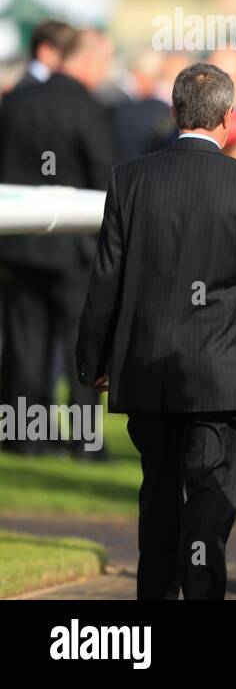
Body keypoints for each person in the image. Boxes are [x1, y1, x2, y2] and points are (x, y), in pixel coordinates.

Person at [75, 63, 236, 598]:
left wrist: (94, 362)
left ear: (174, 113)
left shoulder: (129, 179)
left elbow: (106, 280)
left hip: (148, 370)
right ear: (227, 117)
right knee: (210, 506)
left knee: (159, 503)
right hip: (224, 376)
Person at [0, 28, 115, 458]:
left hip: (17, 244)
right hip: (74, 251)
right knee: (79, 349)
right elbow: (106, 178)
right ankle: (85, 442)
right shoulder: (90, 109)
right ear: (84, 61)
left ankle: (25, 437)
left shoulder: (15, 101)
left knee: (25, 346)